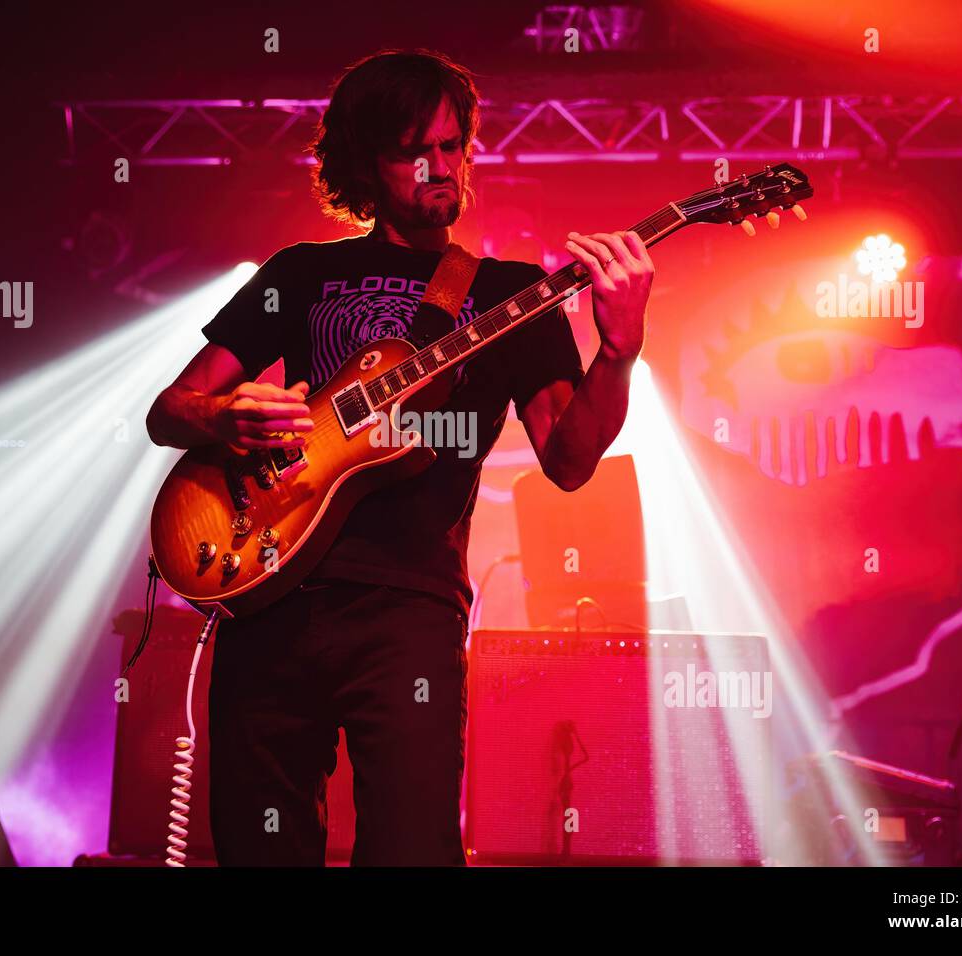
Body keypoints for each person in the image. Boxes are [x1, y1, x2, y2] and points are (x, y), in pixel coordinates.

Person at [145, 49, 654, 865]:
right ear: (365, 164)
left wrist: (619, 352)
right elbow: (168, 411)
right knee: (257, 848)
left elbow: (569, 459)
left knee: (413, 849)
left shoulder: (507, 290)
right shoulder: (302, 274)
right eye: (415, 151)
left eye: (452, 146)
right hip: (270, 588)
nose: (440, 167)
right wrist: (224, 416)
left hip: (411, 613)